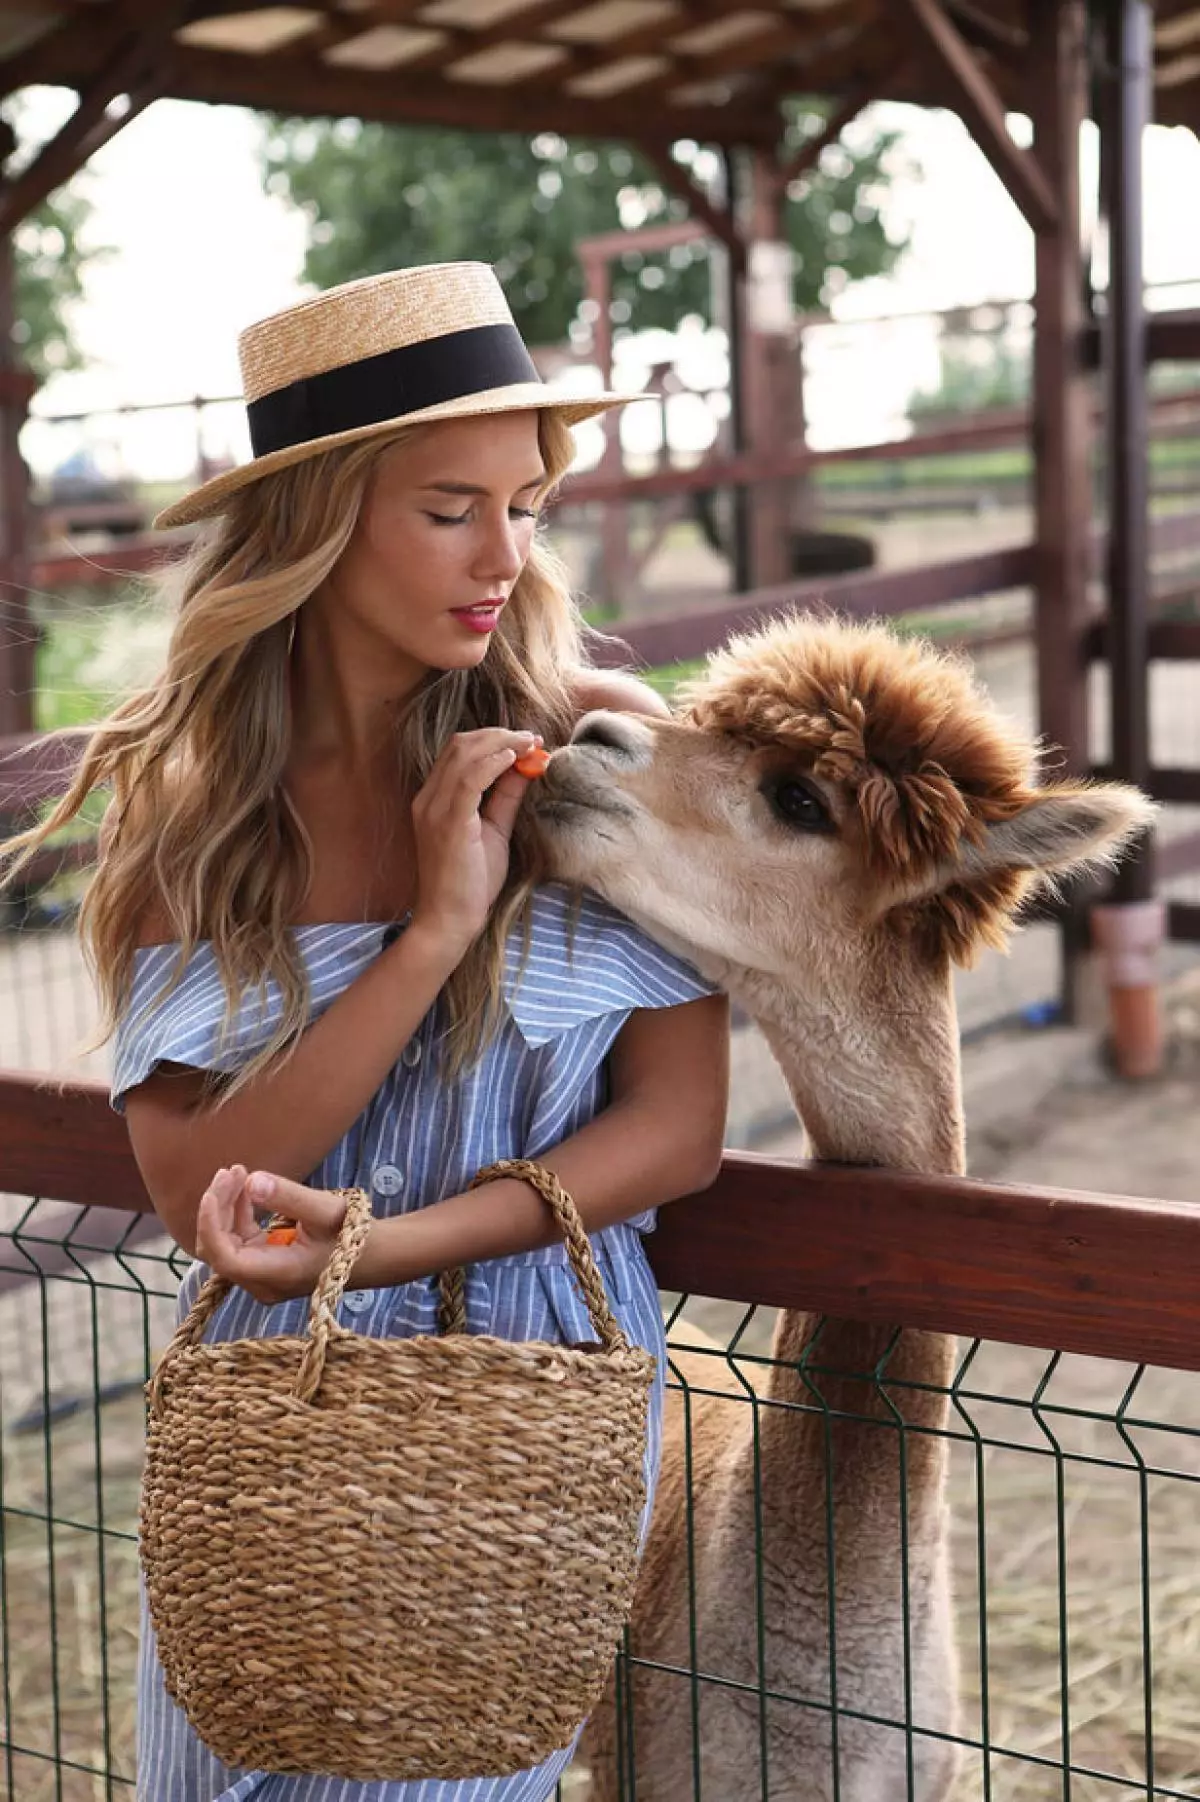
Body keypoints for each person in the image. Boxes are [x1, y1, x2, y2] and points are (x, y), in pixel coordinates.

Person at [3, 262, 729, 1801]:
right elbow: (206, 1181)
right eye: (449, 505)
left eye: (525, 504)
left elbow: (679, 1127)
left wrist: (387, 1244)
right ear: (317, 523)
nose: (504, 551)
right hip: (278, 1424)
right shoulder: (195, 819)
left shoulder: (598, 757)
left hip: (516, 1420)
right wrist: (432, 939)